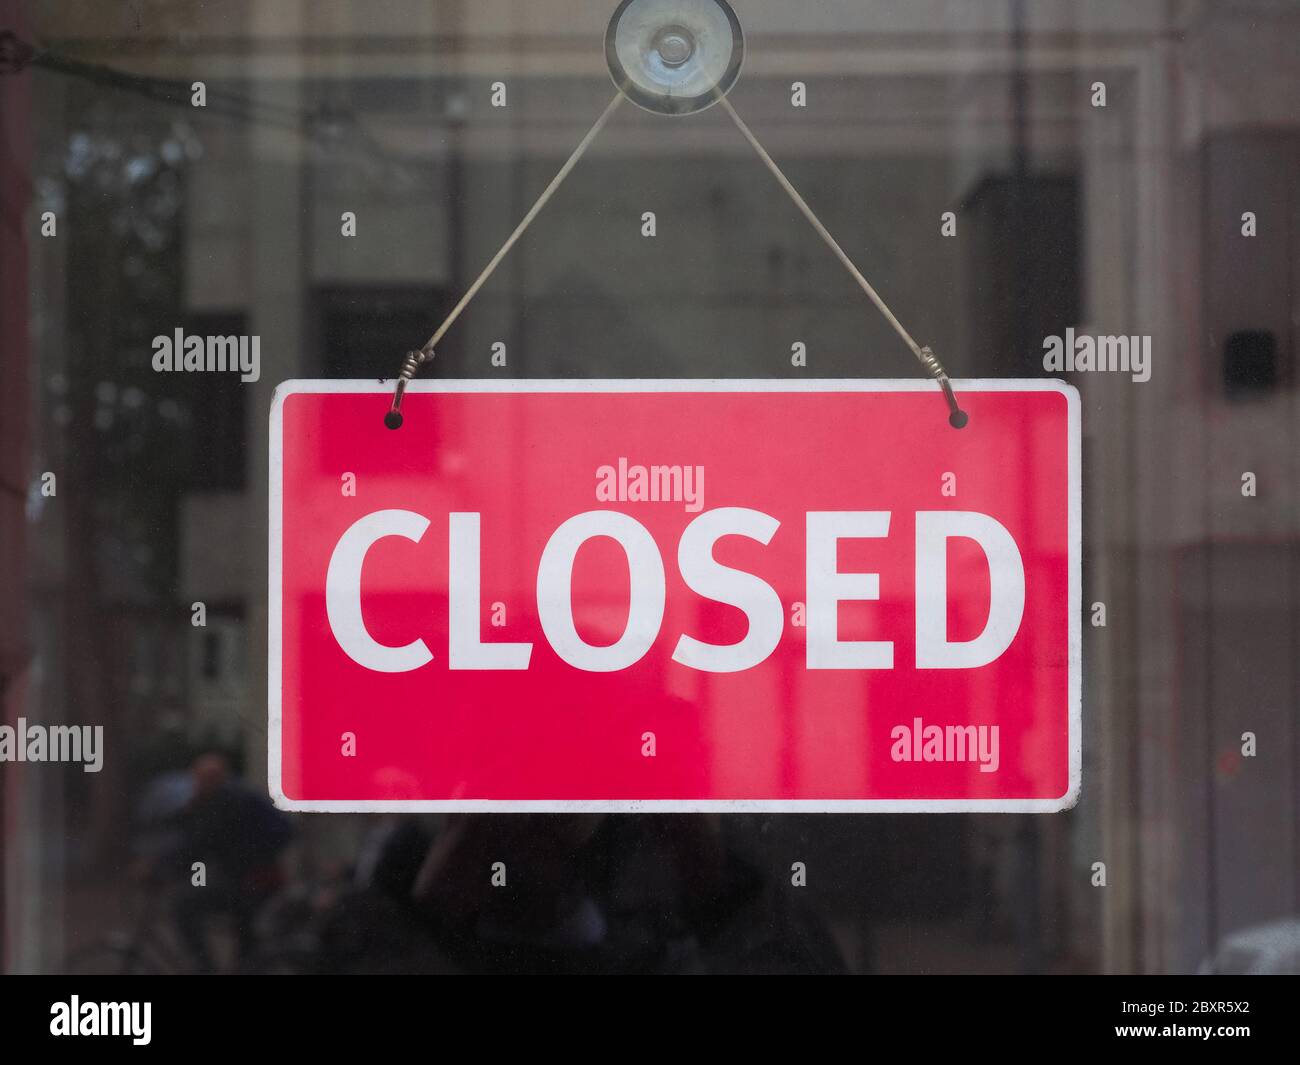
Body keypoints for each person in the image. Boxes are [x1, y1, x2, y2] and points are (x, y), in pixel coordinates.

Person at [171, 753, 292, 972]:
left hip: (251, 881)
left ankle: (206, 969)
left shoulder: (228, 801)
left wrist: (161, 867)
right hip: (253, 879)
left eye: (200, 780)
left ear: (213, 779)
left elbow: (201, 842)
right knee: (246, 948)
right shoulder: (232, 796)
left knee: (184, 905)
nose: (197, 786)